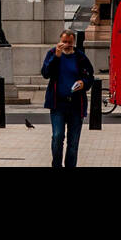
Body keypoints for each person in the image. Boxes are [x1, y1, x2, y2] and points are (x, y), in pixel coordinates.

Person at [41, 30, 95, 168]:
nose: (66, 45)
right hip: (58, 104)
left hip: (76, 105)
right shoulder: (53, 54)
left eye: (69, 42)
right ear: (60, 41)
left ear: (74, 42)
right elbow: (46, 73)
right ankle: (56, 164)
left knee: (73, 142)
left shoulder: (80, 57)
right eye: (64, 42)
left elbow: (90, 76)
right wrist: (56, 57)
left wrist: (84, 83)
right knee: (58, 136)